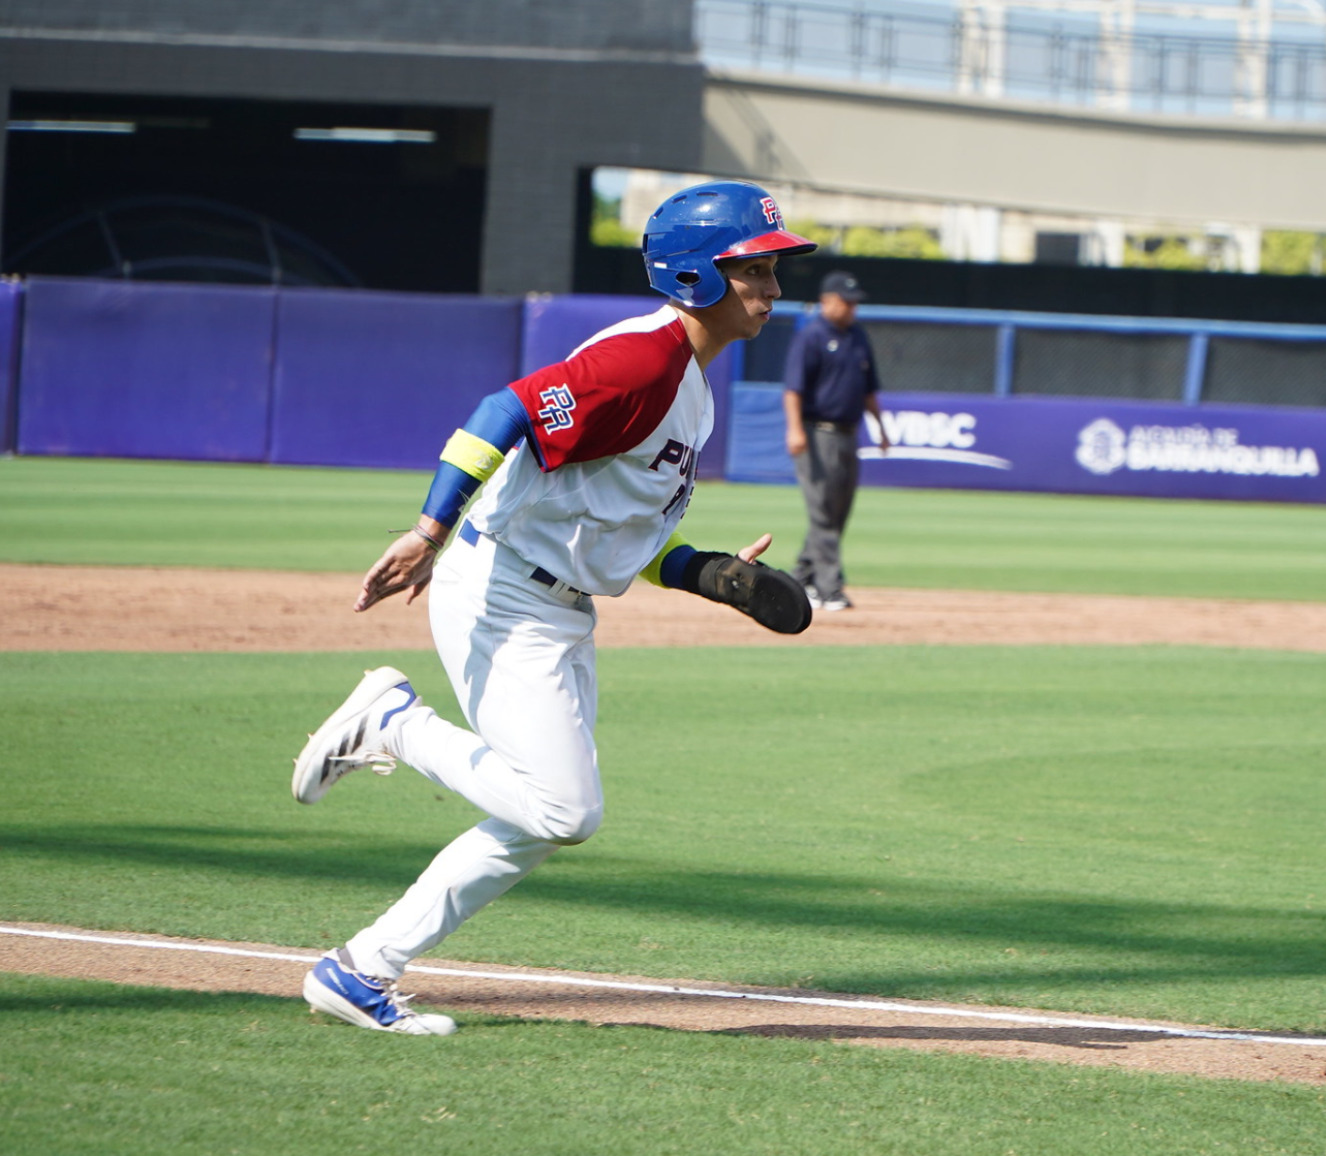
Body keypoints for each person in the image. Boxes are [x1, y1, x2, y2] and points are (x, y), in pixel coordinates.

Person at [289, 180, 816, 1035]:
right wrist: (428, 528)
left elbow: (616, 537)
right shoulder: (643, 360)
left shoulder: (691, 387)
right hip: (502, 590)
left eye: (771, 269)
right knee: (565, 809)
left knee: (537, 818)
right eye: (752, 268)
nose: (771, 286)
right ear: (694, 274)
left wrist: (711, 575)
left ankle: (361, 969)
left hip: (558, 607)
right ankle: (394, 724)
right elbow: (502, 411)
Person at [783, 269, 889, 612]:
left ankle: (801, 579)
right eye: (846, 301)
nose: (852, 308)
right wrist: (795, 429)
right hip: (817, 433)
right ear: (827, 301)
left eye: (855, 302)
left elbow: (869, 389)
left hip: (848, 433)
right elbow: (793, 389)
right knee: (822, 512)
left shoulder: (858, 336)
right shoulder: (811, 336)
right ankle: (829, 589)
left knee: (838, 511)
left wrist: (881, 427)